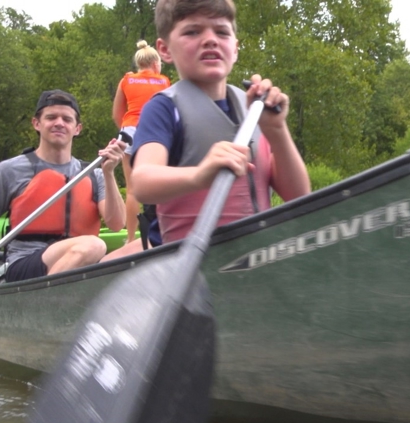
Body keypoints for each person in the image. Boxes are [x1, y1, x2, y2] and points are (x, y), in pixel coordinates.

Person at [122, 0, 310, 250]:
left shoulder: (255, 107)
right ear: (164, 49)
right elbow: (143, 182)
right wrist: (200, 175)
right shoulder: (164, 108)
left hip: (257, 261)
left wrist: (276, 130)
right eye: (192, 31)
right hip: (192, 270)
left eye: (222, 32)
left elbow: (299, 196)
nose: (210, 39)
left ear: (235, 48)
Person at [0, 90, 126, 284]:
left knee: (128, 248)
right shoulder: (9, 170)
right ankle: (41, 299)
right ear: (37, 123)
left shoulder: (96, 173)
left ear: (77, 129)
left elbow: (117, 223)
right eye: (51, 117)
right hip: (26, 264)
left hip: (82, 262)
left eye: (67, 119)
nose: (59, 123)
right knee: (94, 245)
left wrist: (109, 173)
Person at [112, 39, 171, 244]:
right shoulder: (164, 81)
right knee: (160, 183)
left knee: (131, 188)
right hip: (155, 132)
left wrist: (127, 127)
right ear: (155, 64)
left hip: (129, 129)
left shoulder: (126, 80)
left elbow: (116, 113)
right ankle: (162, 231)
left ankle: (130, 239)